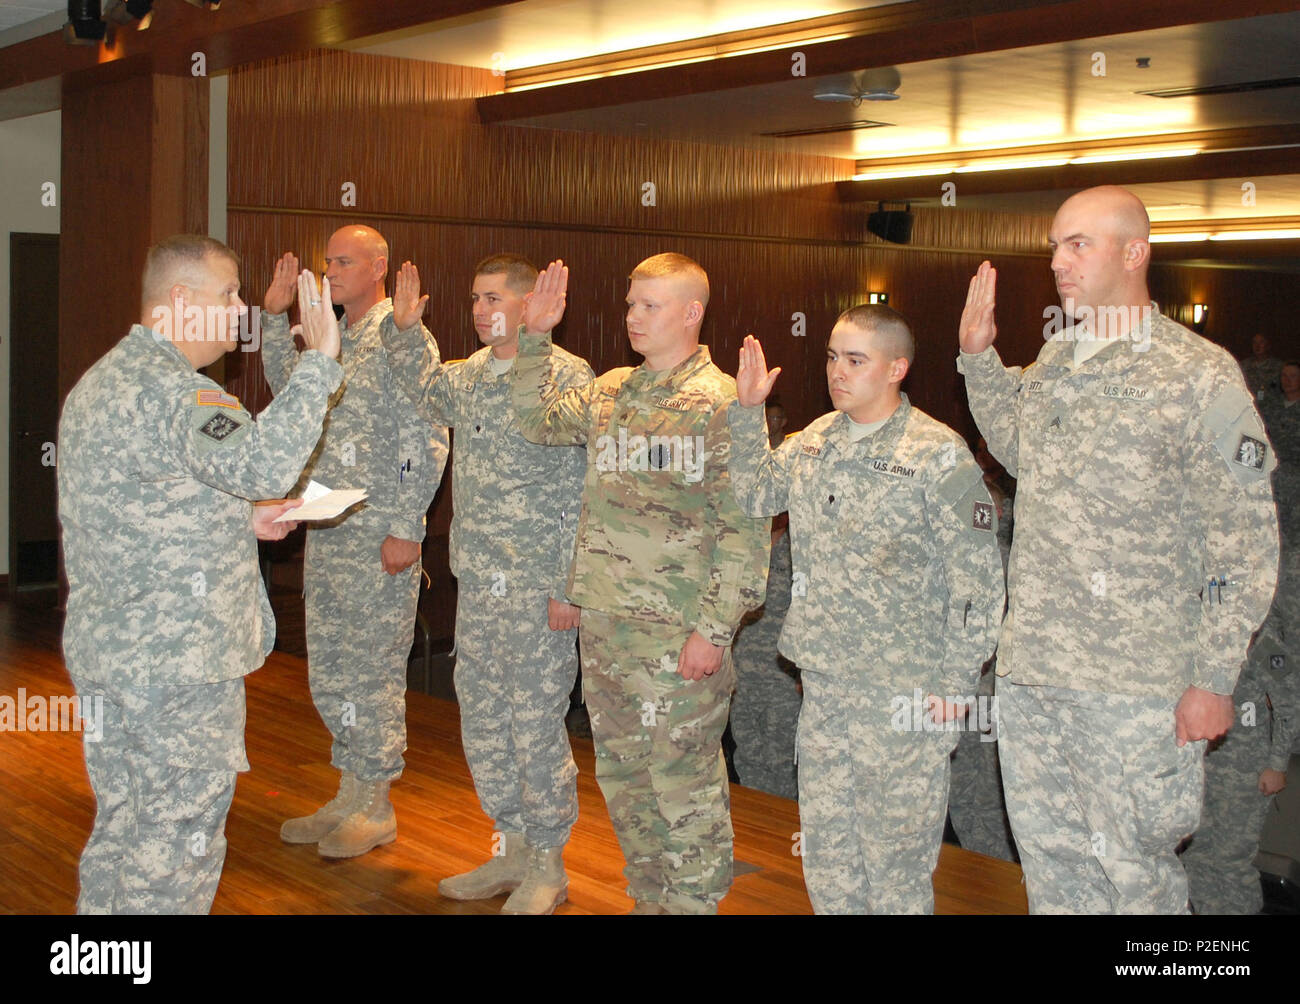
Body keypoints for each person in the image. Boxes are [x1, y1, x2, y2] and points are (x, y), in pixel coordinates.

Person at [957, 185, 1280, 913]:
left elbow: (1246, 536)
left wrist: (1215, 674)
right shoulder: (1058, 358)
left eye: (1079, 245)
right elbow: (1018, 449)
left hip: (1137, 682)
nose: (1059, 263)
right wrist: (979, 361)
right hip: (1037, 670)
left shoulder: (1199, 373)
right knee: (1054, 873)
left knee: (1135, 880)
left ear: (1135, 253)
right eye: (1054, 247)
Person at [59, 235, 343, 913]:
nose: (240, 310)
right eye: (228, 295)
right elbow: (267, 465)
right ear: (182, 303)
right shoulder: (186, 396)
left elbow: (134, 508)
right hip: (178, 671)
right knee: (177, 846)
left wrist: (237, 521)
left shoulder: (101, 383)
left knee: (125, 831)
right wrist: (320, 363)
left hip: (110, 657)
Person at [510, 255, 770, 914]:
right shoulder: (611, 390)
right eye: (630, 305)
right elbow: (535, 421)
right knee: (626, 783)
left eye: (650, 306)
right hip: (607, 628)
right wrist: (533, 339)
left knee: (682, 790)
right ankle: (650, 902)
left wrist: (714, 634)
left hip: (679, 636)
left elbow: (745, 530)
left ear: (691, 312)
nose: (633, 318)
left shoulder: (723, 404)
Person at [729, 307, 1004, 913]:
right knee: (829, 855)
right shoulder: (813, 442)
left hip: (905, 692)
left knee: (897, 863)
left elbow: (979, 580)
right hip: (825, 687)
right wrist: (748, 413)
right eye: (831, 356)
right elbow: (753, 493)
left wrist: (957, 681)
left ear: (896, 369)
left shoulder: (936, 453)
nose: (837, 372)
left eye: (856, 360)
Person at [382, 253, 593, 914]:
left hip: (539, 587)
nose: (479, 309)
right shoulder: (469, 375)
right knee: (483, 719)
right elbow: (421, 390)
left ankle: (548, 864)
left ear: (531, 305)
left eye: (494, 297)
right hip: (480, 583)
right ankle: (509, 850)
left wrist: (572, 586)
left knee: (534, 722)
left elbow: (592, 490)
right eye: (474, 297)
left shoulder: (567, 377)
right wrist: (407, 330)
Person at [261, 227, 448, 858]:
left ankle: (376, 803)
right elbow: (291, 388)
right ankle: (349, 789)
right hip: (328, 523)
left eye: (343, 262)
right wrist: (271, 316)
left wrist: (407, 526)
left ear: (379, 267)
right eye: (328, 261)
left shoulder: (402, 337)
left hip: (377, 531)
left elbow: (426, 435)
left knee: (371, 670)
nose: (331, 270)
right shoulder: (330, 331)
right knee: (331, 667)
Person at [1181, 554, 1297, 914]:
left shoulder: (1266, 645)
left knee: (1230, 860)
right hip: (1202, 767)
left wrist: (1277, 764)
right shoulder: (1195, 640)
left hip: (1245, 773)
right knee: (1198, 856)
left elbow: (1291, 702)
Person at [947, 437, 1018, 862]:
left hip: (994, 701)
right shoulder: (948, 566)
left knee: (994, 803)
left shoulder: (1012, 565)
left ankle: (1001, 888)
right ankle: (975, 886)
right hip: (955, 698)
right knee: (960, 798)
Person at [728, 402, 800, 801]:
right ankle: (760, 845)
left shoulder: (798, 545)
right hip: (744, 671)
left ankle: (787, 851)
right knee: (748, 759)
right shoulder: (747, 536)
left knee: (785, 767)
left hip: (782, 674)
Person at [1241, 333, 1283, 400]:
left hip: (1271, 406)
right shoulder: (1244, 365)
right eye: (1254, 342)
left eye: (1261, 342)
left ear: (1268, 345)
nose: (1257, 346)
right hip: (1249, 404)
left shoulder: (1278, 366)